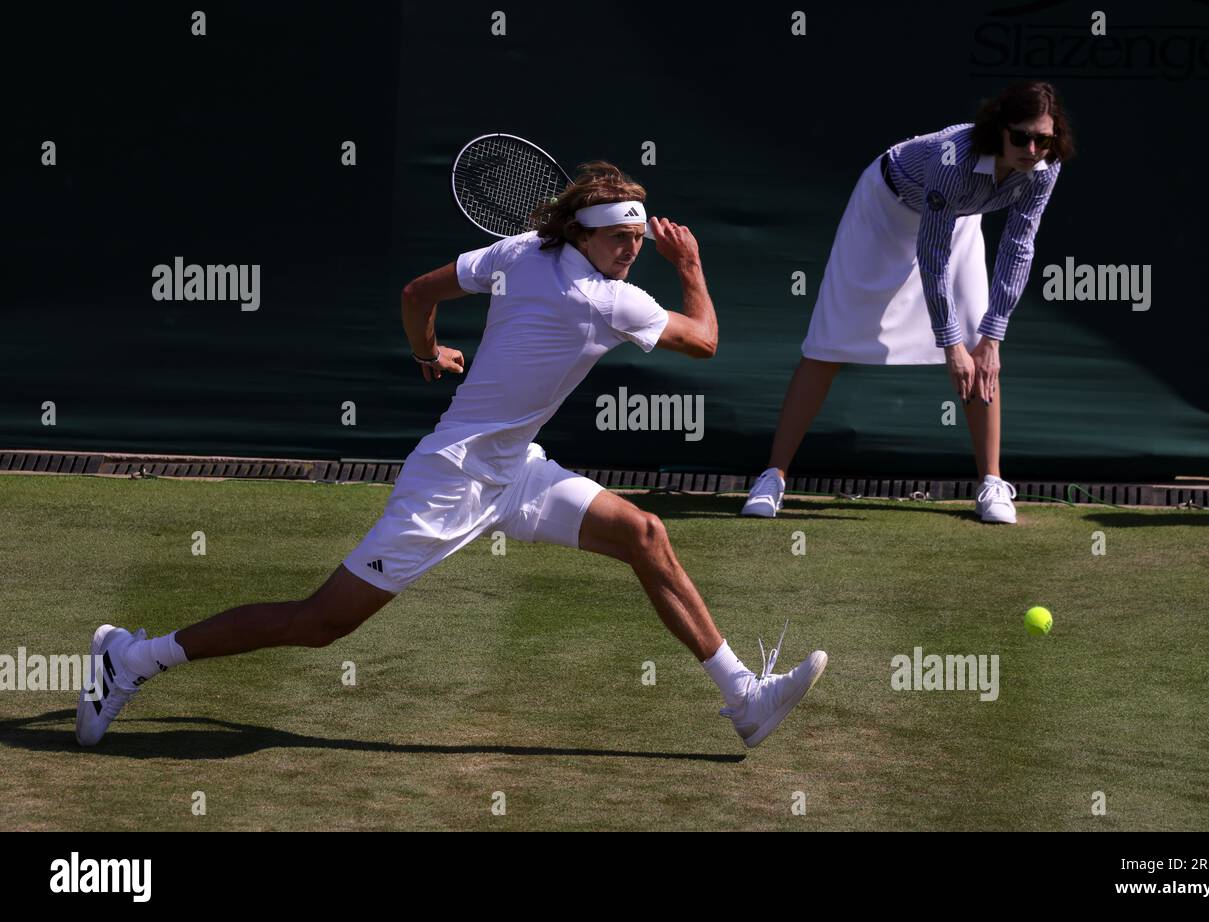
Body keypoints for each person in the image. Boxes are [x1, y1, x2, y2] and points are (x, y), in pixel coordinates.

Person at [76, 162, 827, 751]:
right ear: (583, 235)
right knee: (320, 623)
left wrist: (427, 349)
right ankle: (135, 660)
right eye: (620, 238)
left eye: (639, 238)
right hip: (452, 481)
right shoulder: (608, 301)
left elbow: (416, 292)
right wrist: (690, 269)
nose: (633, 250)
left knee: (644, 535)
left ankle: (744, 699)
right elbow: (705, 340)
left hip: (515, 469)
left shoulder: (523, 252)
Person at [742, 81, 1075, 524]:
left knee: (981, 337)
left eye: (1043, 139)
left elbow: (1019, 244)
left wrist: (991, 337)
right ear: (999, 130)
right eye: (1021, 137)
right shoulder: (951, 160)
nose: (1032, 148)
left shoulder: (1044, 167)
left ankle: (992, 483)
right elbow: (931, 255)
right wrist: (949, 345)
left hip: (957, 219)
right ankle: (772, 477)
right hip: (884, 210)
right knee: (828, 341)